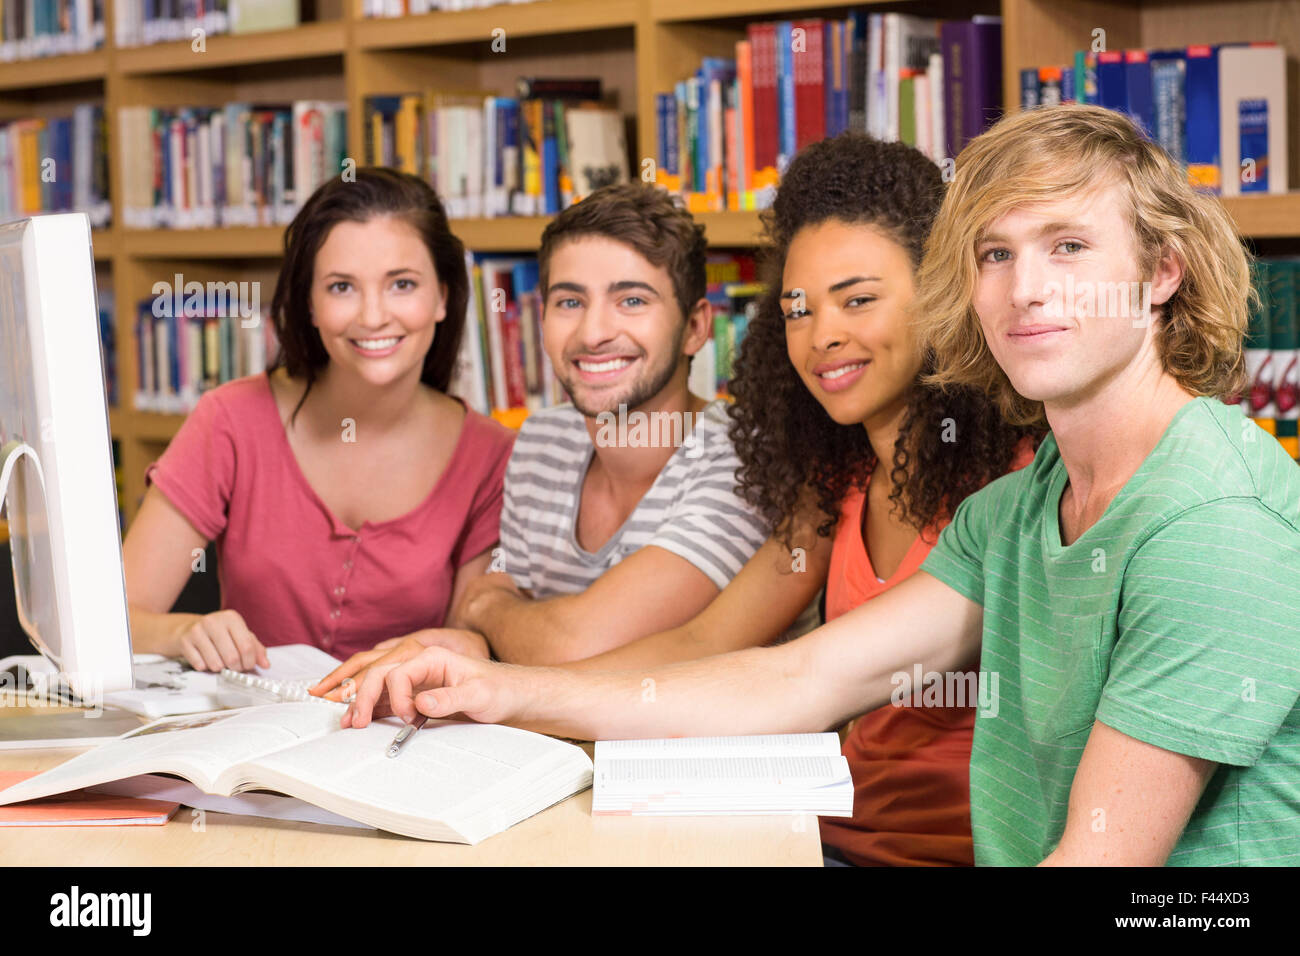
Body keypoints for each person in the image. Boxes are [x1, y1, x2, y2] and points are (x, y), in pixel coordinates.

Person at [347, 105, 1300, 866]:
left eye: (1069, 247)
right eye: (995, 255)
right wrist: (496, 690)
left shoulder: (1212, 524)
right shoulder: (1018, 506)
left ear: (1163, 271)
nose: (1025, 289)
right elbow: (804, 674)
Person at [323, 134, 1039, 866]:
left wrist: (503, 673)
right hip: (813, 835)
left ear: (942, 295)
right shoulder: (836, 483)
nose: (824, 335)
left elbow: (799, 678)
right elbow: (703, 644)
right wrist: (493, 686)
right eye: (798, 309)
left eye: (858, 300)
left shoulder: (1015, 488)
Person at [312, 182, 788, 684]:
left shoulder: (742, 457)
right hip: (555, 748)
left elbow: (573, 644)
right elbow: (481, 625)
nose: (593, 332)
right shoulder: (543, 441)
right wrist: (483, 625)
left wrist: (488, 610)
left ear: (694, 328)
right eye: (569, 302)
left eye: (631, 300)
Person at [123, 168, 515, 670]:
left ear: (442, 297)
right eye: (341, 287)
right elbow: (119, 620)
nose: (372, 316)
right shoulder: (231, 421)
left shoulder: (492, 457)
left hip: (403, 739)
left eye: (402, 284)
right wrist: (183, 630)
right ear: (308, 303)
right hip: (251, 732)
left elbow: (471, 645)